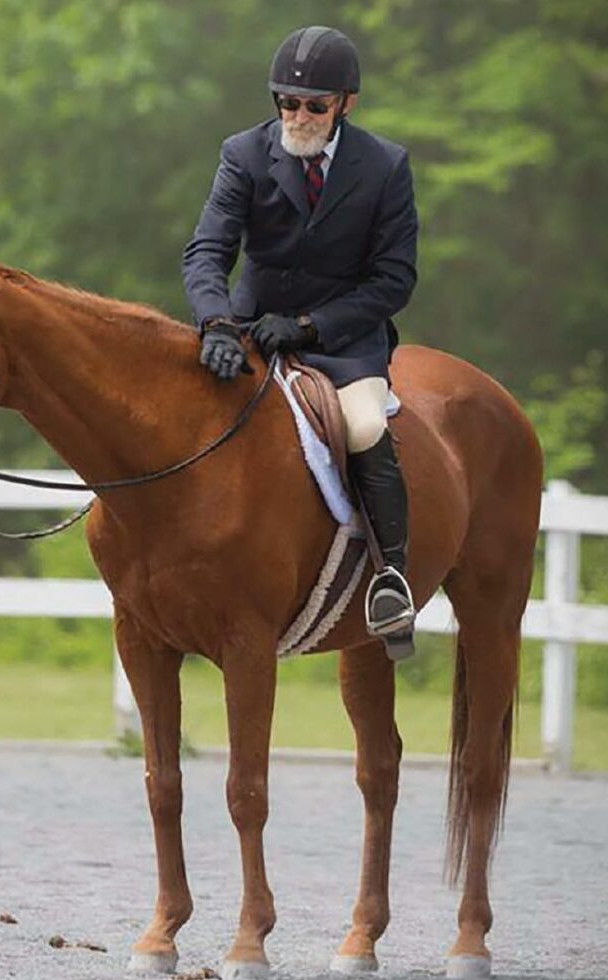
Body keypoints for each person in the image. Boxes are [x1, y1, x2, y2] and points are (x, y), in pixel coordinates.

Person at [182, 25, 418, 647]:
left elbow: (393, 281)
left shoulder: (386, 166)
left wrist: (312, 325)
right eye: (287, 102)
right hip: (252, 331)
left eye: (315, 105)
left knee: (365, 425)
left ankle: (391, 578)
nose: (300, 115)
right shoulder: (244, 154)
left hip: (343, 342)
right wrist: (216, 324)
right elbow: (208, 250)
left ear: (346, 103)